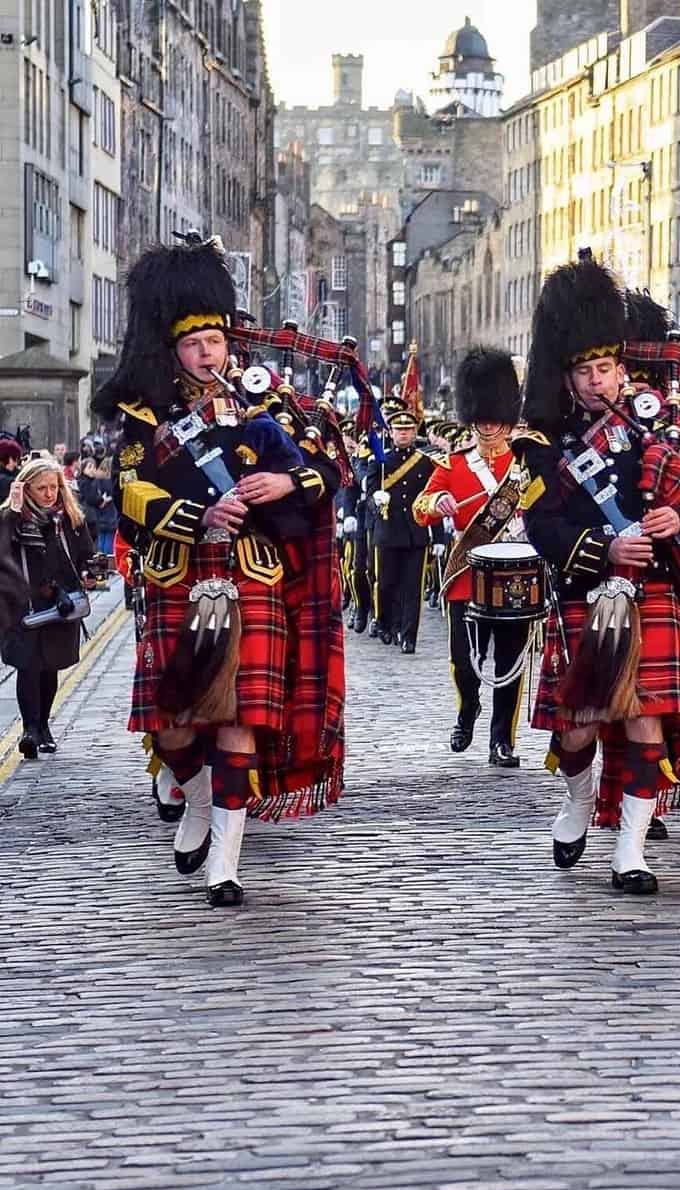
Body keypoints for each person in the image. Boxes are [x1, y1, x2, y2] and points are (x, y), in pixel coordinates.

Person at [94, 234, 345, 908]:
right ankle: (199, 800)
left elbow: (323, 471)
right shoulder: (146, 418)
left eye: (217, 341)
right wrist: (194, 515)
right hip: (180, 572)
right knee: (170, 724)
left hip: (252, 578)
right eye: (195, 343)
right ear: (171, 348)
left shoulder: (267, 408)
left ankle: (227, 864)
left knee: (241, 720)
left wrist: (285, 485)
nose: (209, 353)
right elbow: (128, 493)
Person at [522, 253, 680, 895]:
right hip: (588, 590)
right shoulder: (543, 441)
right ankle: (579, 799)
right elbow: (543, 526)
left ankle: (632, 851)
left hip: (654, 593)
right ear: (567, 374)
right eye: (584, 371)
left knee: (647, 720)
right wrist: (603, 552)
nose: (596, 382)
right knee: (577, 726)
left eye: (605, 368)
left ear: (622, 367)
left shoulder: (659, 424)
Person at [414, 347, 534, 768]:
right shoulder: (455, 462)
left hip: (515, 572)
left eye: (495, 417)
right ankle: (468, 708)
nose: (488, 425)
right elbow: (422, 504)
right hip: (466, 571)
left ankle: (503, 740)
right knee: (463, 660)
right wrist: (439, 500)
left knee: (511, 659)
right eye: (481, 417)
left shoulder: (527, 462)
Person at [1, 455, 94, 758]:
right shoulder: (11, 519)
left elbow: (84, 553)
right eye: (41, 488)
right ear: (26, 488)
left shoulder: (66, 517)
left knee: (49, 667)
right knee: (28, 667)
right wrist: (13, 510)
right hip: (23, 604)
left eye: (53, 487)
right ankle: (29, 730)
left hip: (60, 602)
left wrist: (88, 573)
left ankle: (43, 726)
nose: (49, 493)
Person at [370, 409, 437, 655]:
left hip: (415, 531)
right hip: (388, 530)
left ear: (414, 432)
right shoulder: (381, 461)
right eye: (399, 430)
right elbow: (368, 494)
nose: (404, 434)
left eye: (408, 429)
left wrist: (438, 536)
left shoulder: (425, 461)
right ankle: (387, 623)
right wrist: (375, 501)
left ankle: (409, 636)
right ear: (391, 432)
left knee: (412, 589)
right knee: (387, 584)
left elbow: (433, 497)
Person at [336, 419, 375, 634]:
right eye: (349, 436)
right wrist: (343, 513)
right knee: (353, 568)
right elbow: (341, 489)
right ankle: (359, 607)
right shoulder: (345, 462)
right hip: (354, 519)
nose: (352, 441)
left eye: (356, 437)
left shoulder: (373, 459)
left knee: (375, 570)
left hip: (374, 516)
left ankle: (377, 613)